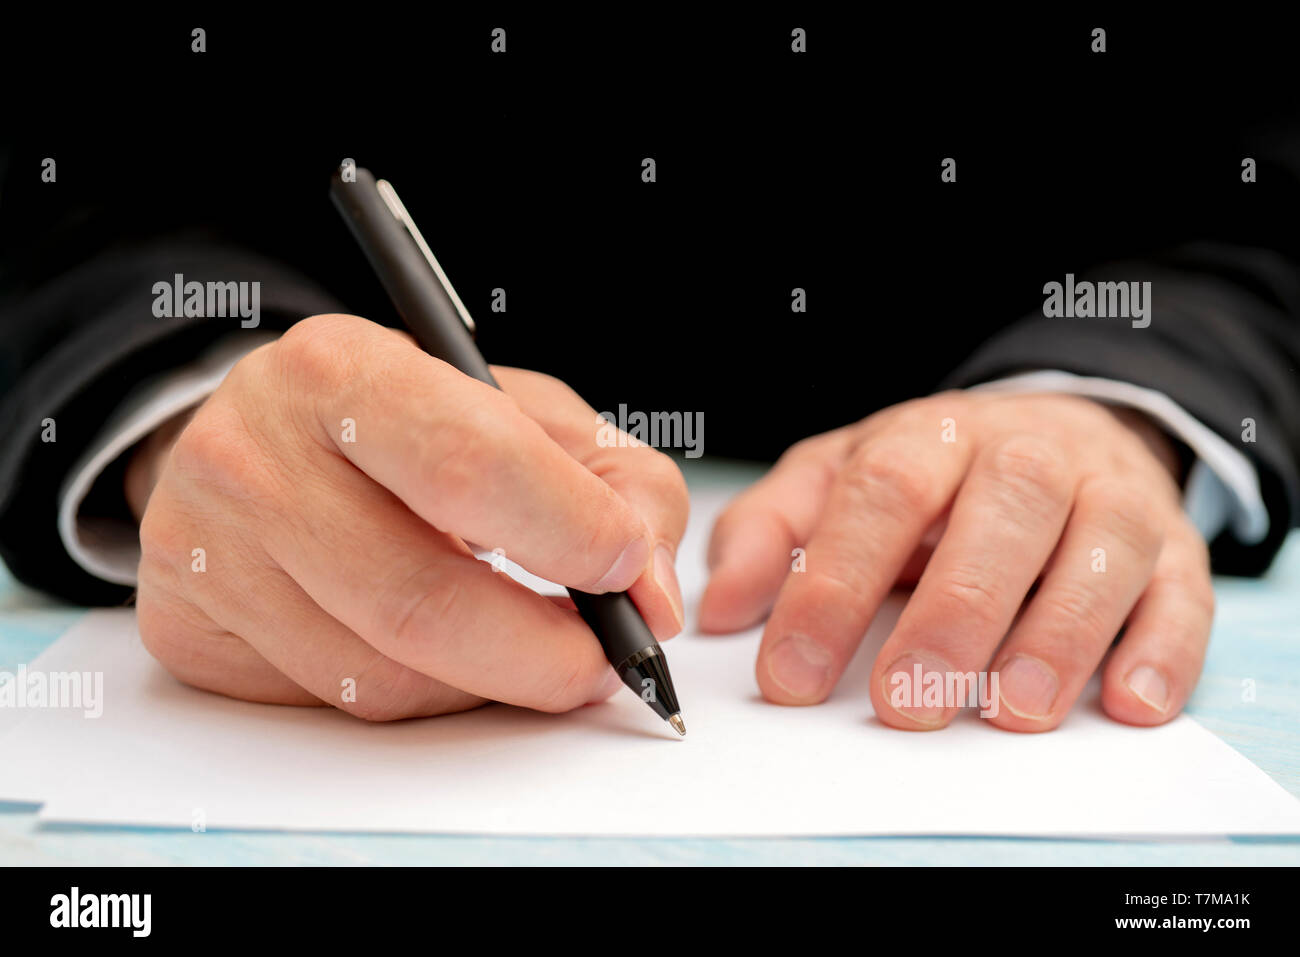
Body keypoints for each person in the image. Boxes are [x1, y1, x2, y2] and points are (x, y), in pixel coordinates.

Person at [2, 18, 1296, 734]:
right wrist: (191, 403)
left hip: (1000, 356)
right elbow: (55, 164)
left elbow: (1263, 178)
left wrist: (1105, 399)